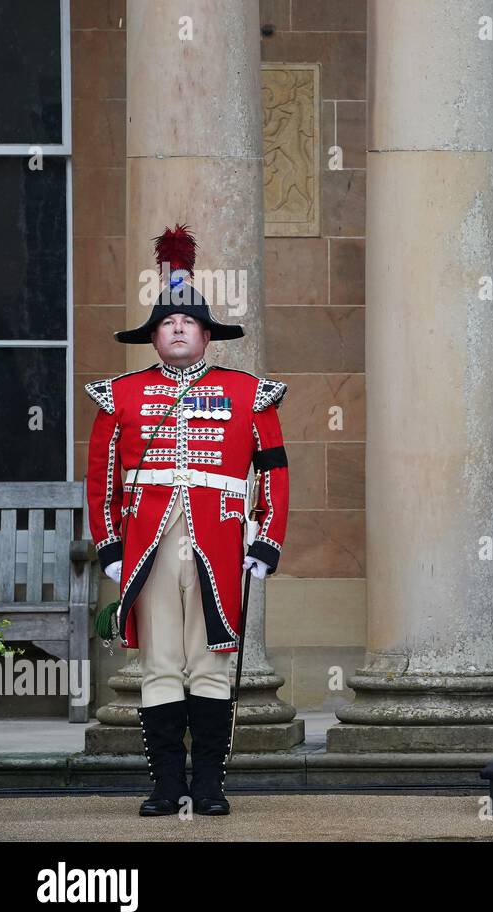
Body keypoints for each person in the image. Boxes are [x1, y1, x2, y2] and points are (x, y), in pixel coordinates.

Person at [84, 225, 290, 815]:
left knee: (210, 664)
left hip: (219, 542)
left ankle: (208, 788)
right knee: (158, 665)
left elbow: (273, 470)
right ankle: (165, 785)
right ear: (153, 336)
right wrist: (110, 545)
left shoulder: (248, 392)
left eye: (187, 322)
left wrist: (268, 537)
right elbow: (101, 478)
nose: (176, 328)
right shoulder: (120, 394)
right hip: (148, 544)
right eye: (166, 322)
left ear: (206, 334)